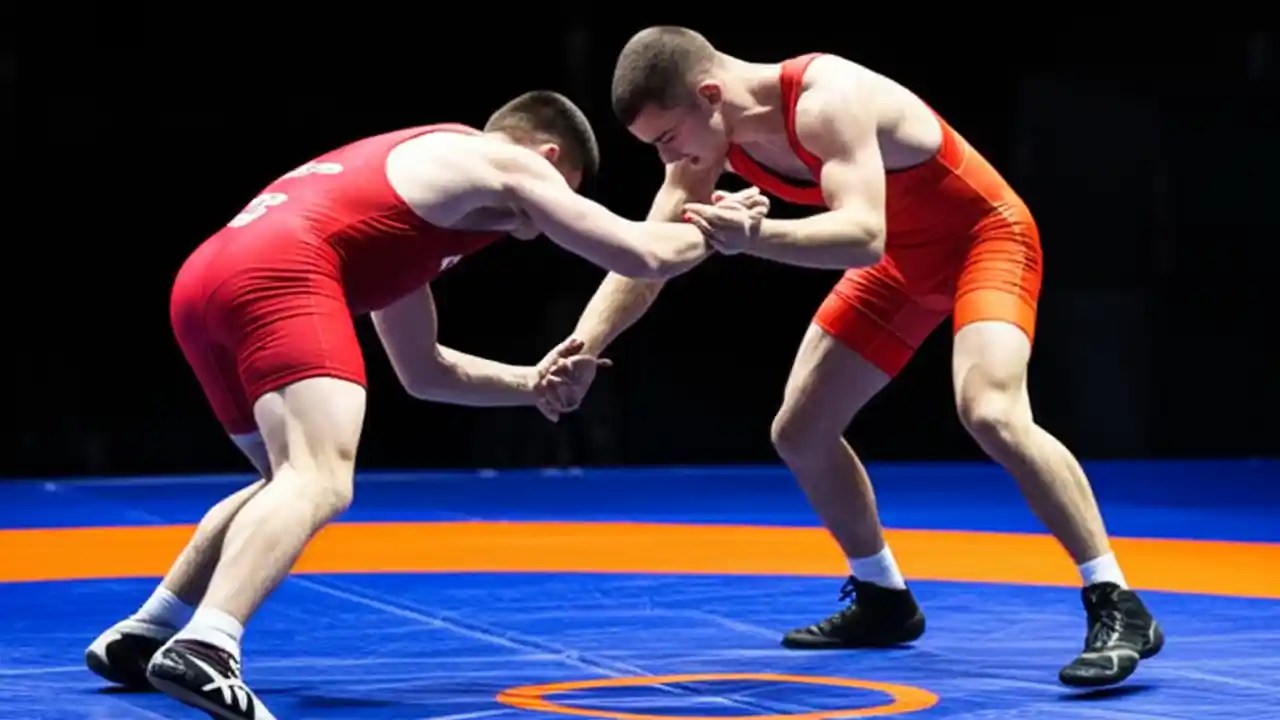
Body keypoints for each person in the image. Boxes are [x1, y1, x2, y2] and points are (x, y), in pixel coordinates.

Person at [82, 89, 764, 719]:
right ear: (547, 157)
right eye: (562, 194)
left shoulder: (412, 209)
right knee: (319, 478)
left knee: (280, 482)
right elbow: (639, 251)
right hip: (278, 272)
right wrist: (723, 229)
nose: (533, 229)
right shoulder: (498, 158)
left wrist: (532, 383)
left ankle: (150, 628)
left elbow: (423, 370)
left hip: (206, 281)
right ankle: (207, 645)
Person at [554, 27, 1164, 688]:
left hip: (982, 240)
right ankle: (883, 598)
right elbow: (648, 255)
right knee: (800, 432)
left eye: (666, 138)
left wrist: (754, 234)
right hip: (904, 262)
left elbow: (863, 235)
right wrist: (583, 351)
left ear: (709, 95)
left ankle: (1118, 603)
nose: (668, 157)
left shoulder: (826, 99)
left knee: (990, 411)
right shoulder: (703, 147)